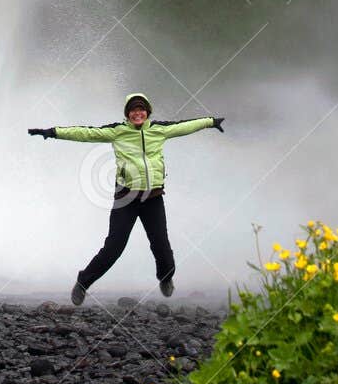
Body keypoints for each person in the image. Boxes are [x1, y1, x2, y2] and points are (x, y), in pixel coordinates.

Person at [29, 91, 224, 303]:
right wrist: (53, 132)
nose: (137, 113)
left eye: (141, 109)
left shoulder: (159, 130)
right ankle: (83, 283)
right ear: (127, 114)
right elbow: (85, 133)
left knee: (162, 246)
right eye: (133, 110)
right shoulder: (117, 131)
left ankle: (166, 278)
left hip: (153, 198)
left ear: (147, 112)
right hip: (126, 199)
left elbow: (185, 126)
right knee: (114, 247)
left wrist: (211, 122)